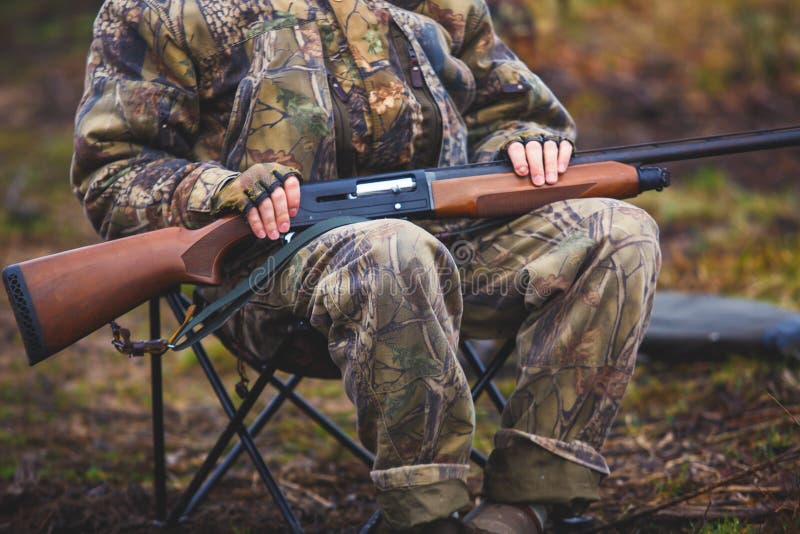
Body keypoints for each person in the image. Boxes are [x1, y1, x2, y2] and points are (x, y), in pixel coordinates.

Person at [71, 0, 660, 531]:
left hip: (452, 246)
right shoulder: (160, 10)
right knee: (393, 250)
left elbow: (513, 111)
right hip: (267, 273)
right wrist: (217, 190)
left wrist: (523, 141)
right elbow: (111, 173)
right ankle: (431, 516)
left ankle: (531, 501)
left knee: (619, 233)